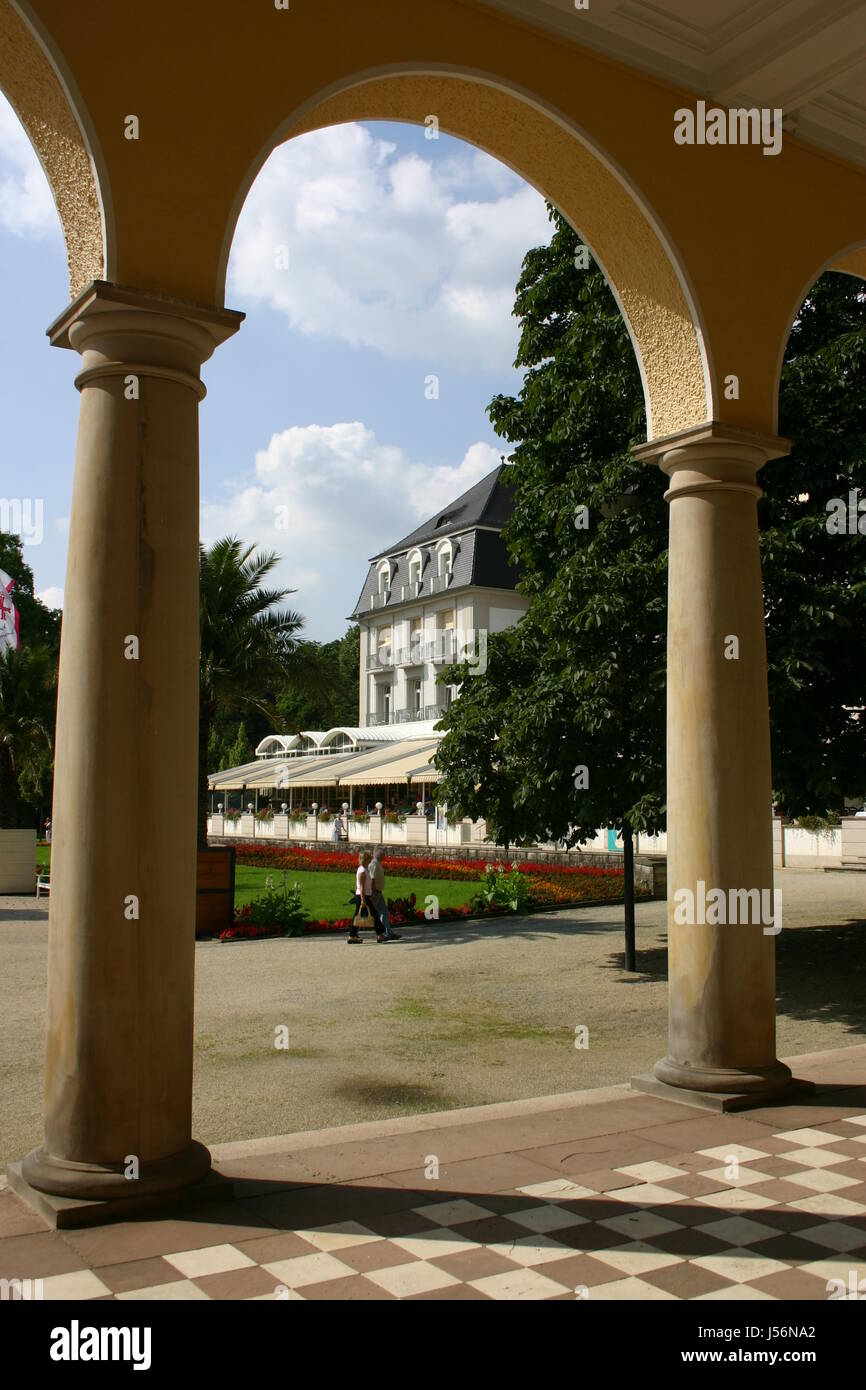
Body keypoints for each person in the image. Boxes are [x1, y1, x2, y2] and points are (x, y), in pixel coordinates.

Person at [348, 850, 384, 944]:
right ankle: (379, 934)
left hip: (365, 896)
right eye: (369, 857)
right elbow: (362, 887)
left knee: (359, 916)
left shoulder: (365, 869)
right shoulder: (362, 871)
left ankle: (353, 935)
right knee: (374, 915)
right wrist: (363, 900)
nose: (370, 859)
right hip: (362, 896)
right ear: (365, 859)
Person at [369, 848, 400, 942]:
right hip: (375, 893)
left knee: (384, 912)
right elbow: (372, 879)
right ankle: (382, 934)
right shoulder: (374, 864)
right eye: (383, 855)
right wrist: (372, 892)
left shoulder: (377, 863)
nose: (384, 856)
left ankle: (387, 933)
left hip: (378, 892)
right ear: (380, 855)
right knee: (371, 913)